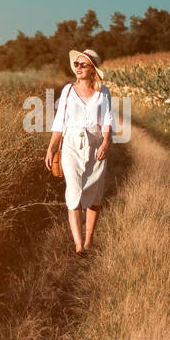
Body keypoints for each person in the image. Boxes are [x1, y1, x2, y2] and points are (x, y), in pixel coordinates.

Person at [45, 48, 115, 255]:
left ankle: (88, 241)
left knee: (94, 195)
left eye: (83, 64)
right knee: (73, 192)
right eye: (76, 64)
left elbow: (108, 121)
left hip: (96, 145)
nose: (78, 67)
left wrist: (106, 142)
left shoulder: (104, 92)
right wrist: (50, 149)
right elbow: (59, 123)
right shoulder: (67, 91)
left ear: (93, 69)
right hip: (71, 146)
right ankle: (78, 245)